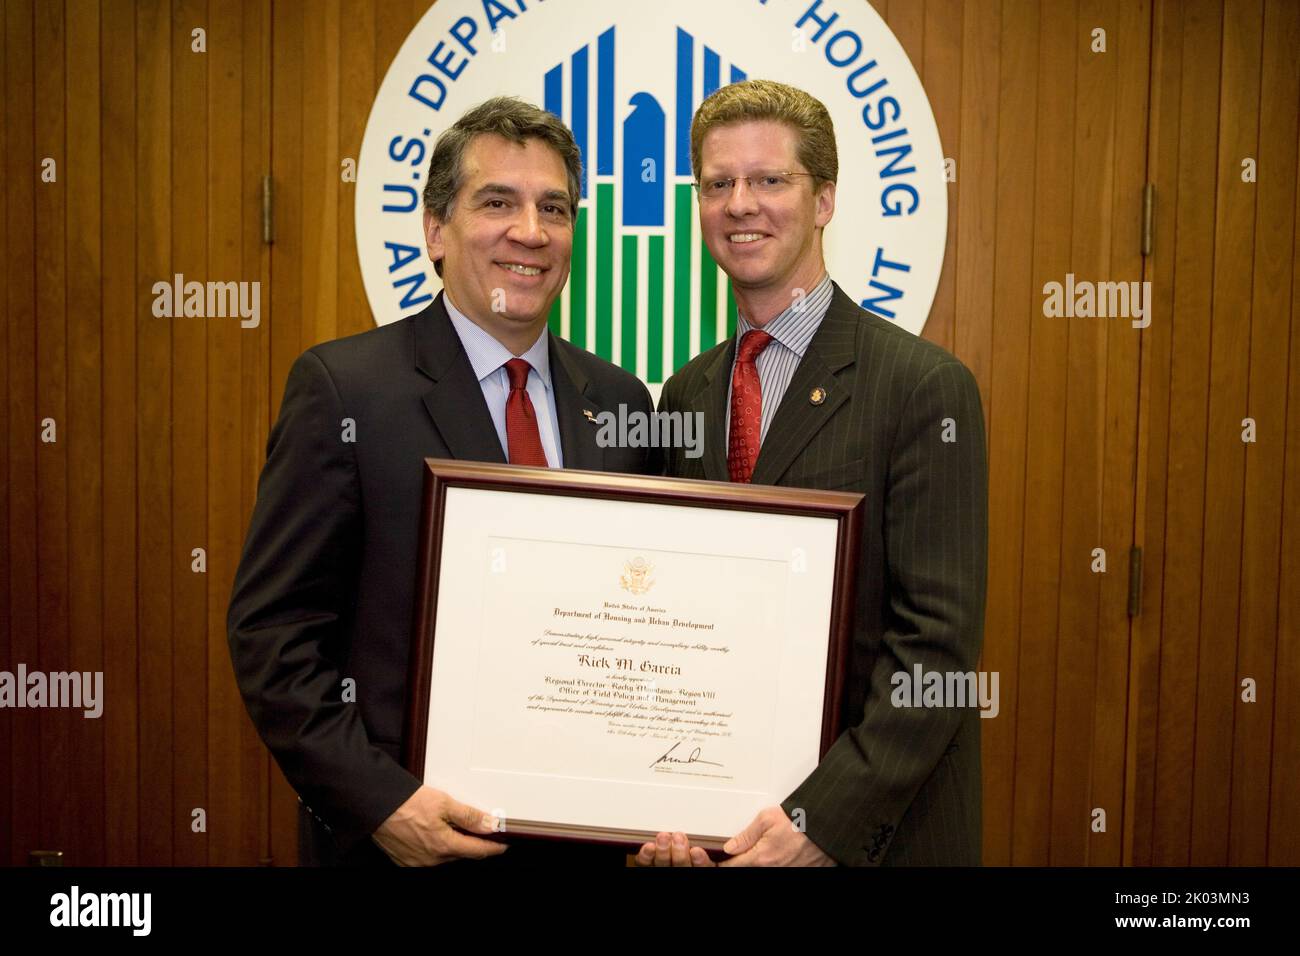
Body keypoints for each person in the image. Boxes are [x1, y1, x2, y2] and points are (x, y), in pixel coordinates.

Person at [227, 97, 656, 867]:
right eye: (498, 202)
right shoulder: (344, 389)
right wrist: (381, 803)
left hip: (584, 845)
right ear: (435, 229)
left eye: (554, 208)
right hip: (406, 847)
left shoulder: (620, 404)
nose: (531, 231)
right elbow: (273, 634)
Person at [641, 79, 988, 866]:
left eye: (770, 180)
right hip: (724, 837)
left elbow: (936, 651)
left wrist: (820, 821)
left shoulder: (923, 387)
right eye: (718, 183)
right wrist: (667, 806)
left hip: (876, 838)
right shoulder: (688, 392)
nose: (740, 204)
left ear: (825, 199)